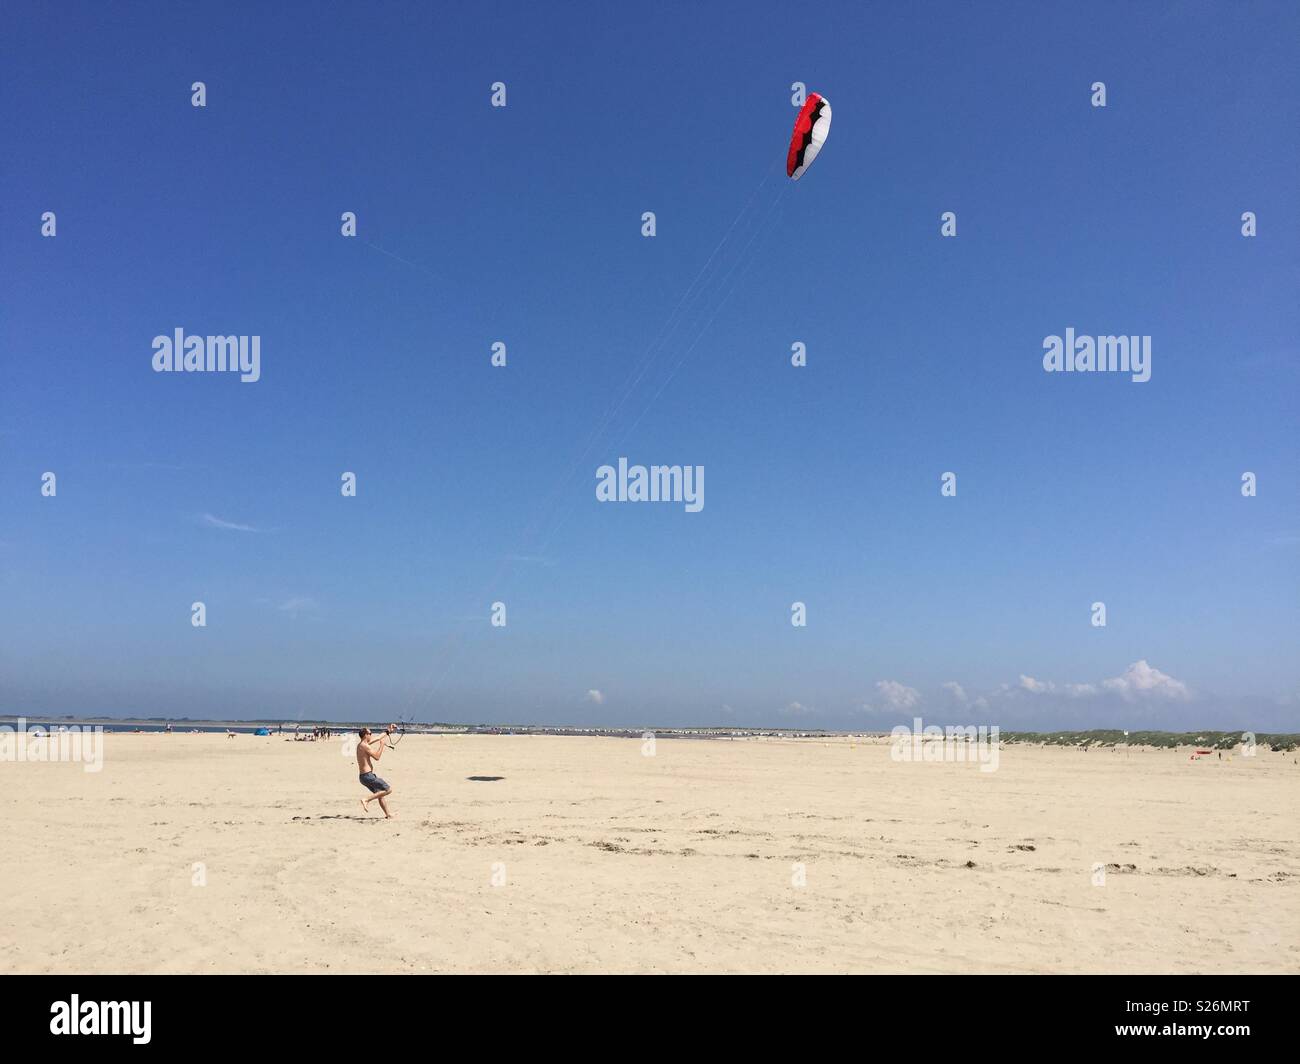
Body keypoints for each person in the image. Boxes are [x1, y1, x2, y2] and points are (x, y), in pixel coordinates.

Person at [357, 724, 398, 818]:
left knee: (380, 794)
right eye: (370, 733)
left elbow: (378, 737)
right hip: (368, 776)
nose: (371, 735)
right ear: (365, 735)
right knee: (388, 789)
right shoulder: (365, 746)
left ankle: (388, 814)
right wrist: (382, 745)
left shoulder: (361, 745)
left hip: (364, 776)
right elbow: (377, 757)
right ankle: (366, 799)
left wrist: (389, 730)